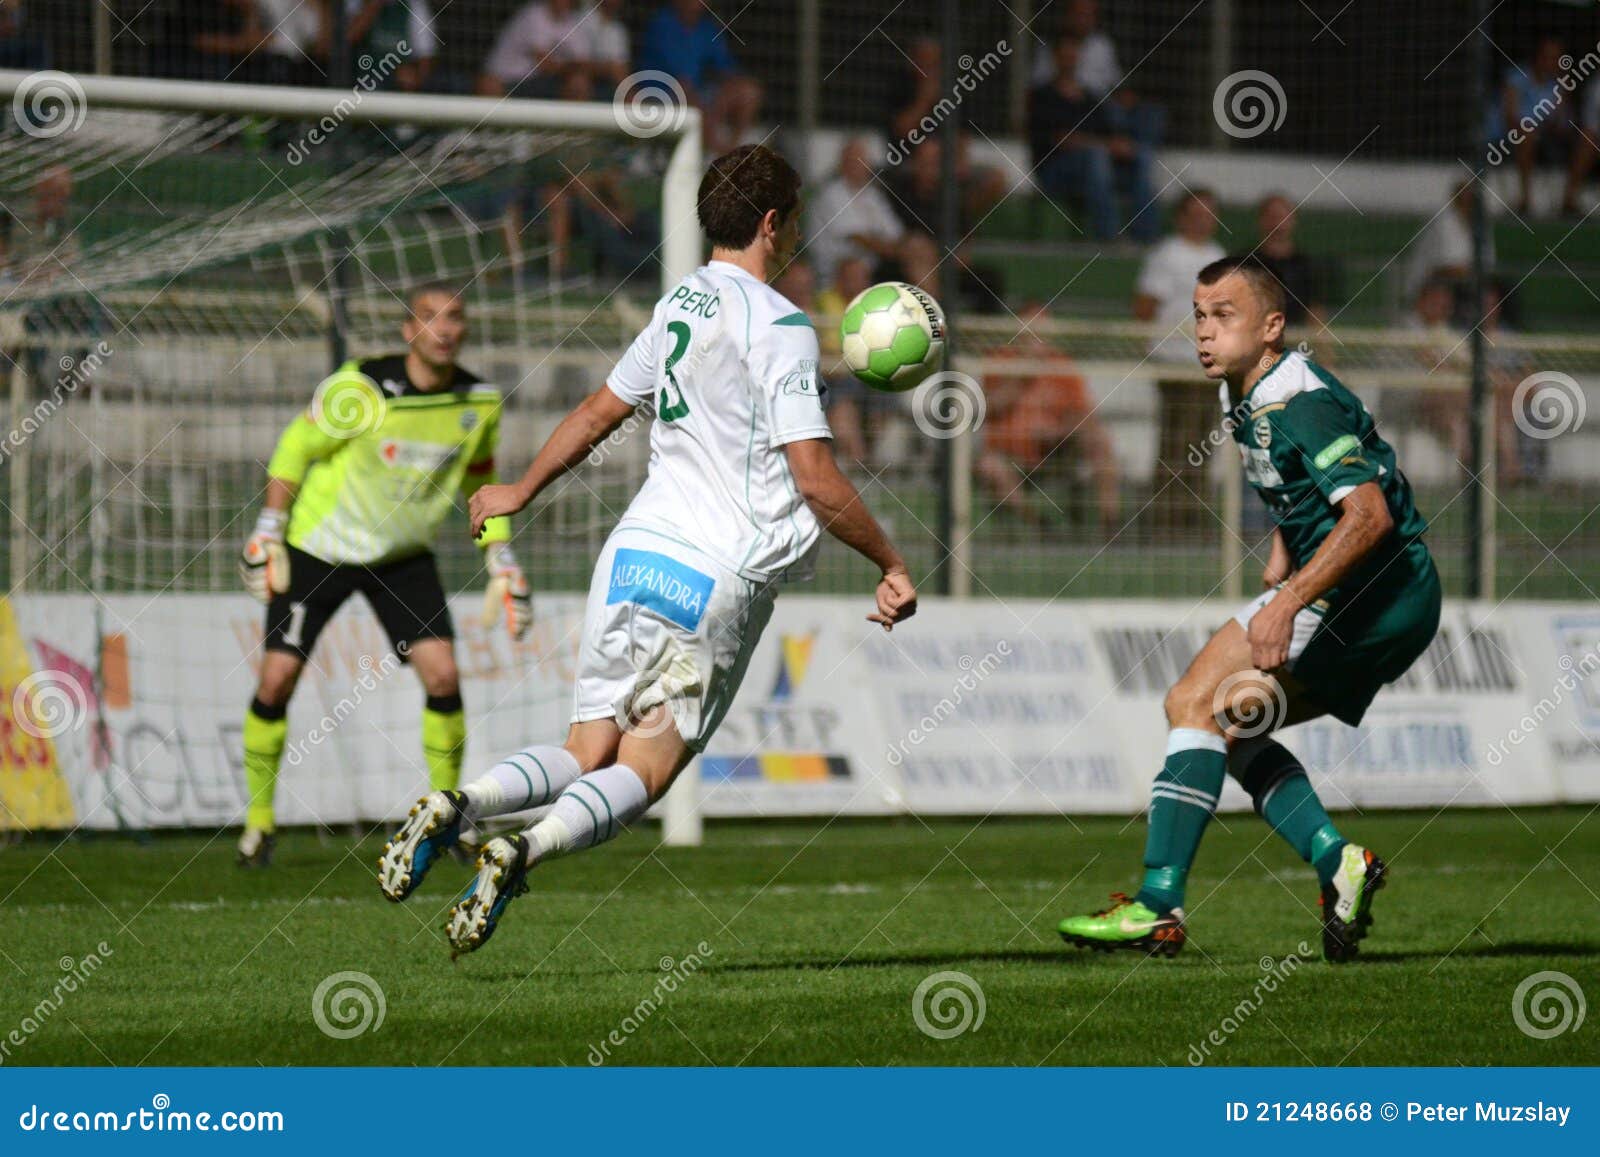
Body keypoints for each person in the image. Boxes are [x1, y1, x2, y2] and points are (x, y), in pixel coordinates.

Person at [377, 146, 918, 956]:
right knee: (647, 768)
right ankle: (517, 848)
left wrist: (519, 491)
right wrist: (890, 561)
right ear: (774, 223)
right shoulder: (778, 325)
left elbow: (599, 411)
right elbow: (815, 476)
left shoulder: (678, 305)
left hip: (631, 554)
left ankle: (461, 801)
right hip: (714, 574)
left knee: (583, 746)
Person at [1057, 256, 1440, 962]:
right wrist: (1286, 548)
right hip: (1362, 587)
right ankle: (1337, 862)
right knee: (1227, 721)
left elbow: (1369, 514)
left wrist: (1287, 599)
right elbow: (1307, 487)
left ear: (1272, 326)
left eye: (1223, 314)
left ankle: (1158, 904)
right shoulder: (1242, 391)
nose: (1203, 331)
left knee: (1195, 706)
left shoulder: (1297, 401)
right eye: (1199, 315)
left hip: (1374, 591)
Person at [236, 285, 532, 867]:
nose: (443, 329)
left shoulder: (478, 400)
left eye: (454, 318)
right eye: (429, 318)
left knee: (443, 675)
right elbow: (296, 447)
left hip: (401, 557)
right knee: (276, 682)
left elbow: (480, 479)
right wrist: (269, 526)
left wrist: (501, 559)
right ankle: (259, 825)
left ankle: (446, 816)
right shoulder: (363, 385)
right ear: (407, 330)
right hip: (319, 549)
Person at [978, 302, 1120, 532]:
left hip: (1053, 451)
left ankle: (1111, 524)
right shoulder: (1000, 361)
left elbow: (1083, 413)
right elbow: (987, 408)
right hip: (1011, 454)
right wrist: (1020, 377)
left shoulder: (1061, 365)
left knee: (1098, 439)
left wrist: (1059, 431)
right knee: (989, 465)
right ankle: (1039, 525)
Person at [1028, 34, 1156, 242]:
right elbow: (1062, 140)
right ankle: (1109, 237)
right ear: (1055, 58)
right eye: (1065, 55)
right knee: (1096, 156)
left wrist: (1122, 146)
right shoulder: (1042, 96)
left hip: (1097, 171)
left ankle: (1145, 237)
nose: (1070, 59)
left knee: (1142, 155)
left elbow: (1110, 134)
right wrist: (1104, 145)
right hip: (1054, 172)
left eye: (1074, 55)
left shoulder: (1089, 97)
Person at [636, 0, 761, 154]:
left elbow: (726, 67)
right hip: (662, 93)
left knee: (748, 90)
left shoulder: (707, 28)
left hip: (701, 93)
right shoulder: (661, 23)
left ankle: (734, 150)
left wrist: (729, 86)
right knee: (686, 91)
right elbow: (677, 73)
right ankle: (713, 152)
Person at [1135, 187, 1225, 363]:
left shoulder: (1219, 256)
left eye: (1208, 215)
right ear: (1181, 217)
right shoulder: (1166, 253)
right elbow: (1145, 306)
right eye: (1196, 214)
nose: (1202, 221)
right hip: (1168, 356)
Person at [806, 138, 905, 288]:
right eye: (853, 161)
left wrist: (908, 249)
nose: (859, 166)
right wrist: (901, 253)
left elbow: (895, 233)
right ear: (841, 164)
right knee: (856, 268)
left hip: (875, 266)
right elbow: (858, 238)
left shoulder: (873, 195)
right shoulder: (832, 193)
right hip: (834, 269)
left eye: (863, 161)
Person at [477, 0, 594, 99]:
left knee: (579, 82)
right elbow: (546, 65)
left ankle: (574, 125)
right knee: (489, 84)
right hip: (508, 81)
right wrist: (574, 67)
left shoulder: (572, 21)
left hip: (540, 82)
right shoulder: (533, 15)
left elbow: (584, 63)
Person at [1402, 180, 1493, 305]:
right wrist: (1472, 272)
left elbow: (1488, 261)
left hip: (1465, 285)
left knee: (1497, 293)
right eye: (1464, 193)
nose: (1468, 199)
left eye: (1471, 194)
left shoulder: (1480, 223)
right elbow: (1447, 267)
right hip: (1429, 284)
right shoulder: (1442, 220)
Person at [1254, 193, 1325, 328]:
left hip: (1295, 340)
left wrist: (1324, 346)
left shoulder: (1305, 264)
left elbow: (1315, 310)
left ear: (1293, 220)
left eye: (1282, 217)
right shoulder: (1245, 262)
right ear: (1261, 220)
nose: (1277, 223)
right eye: (1271, 217)